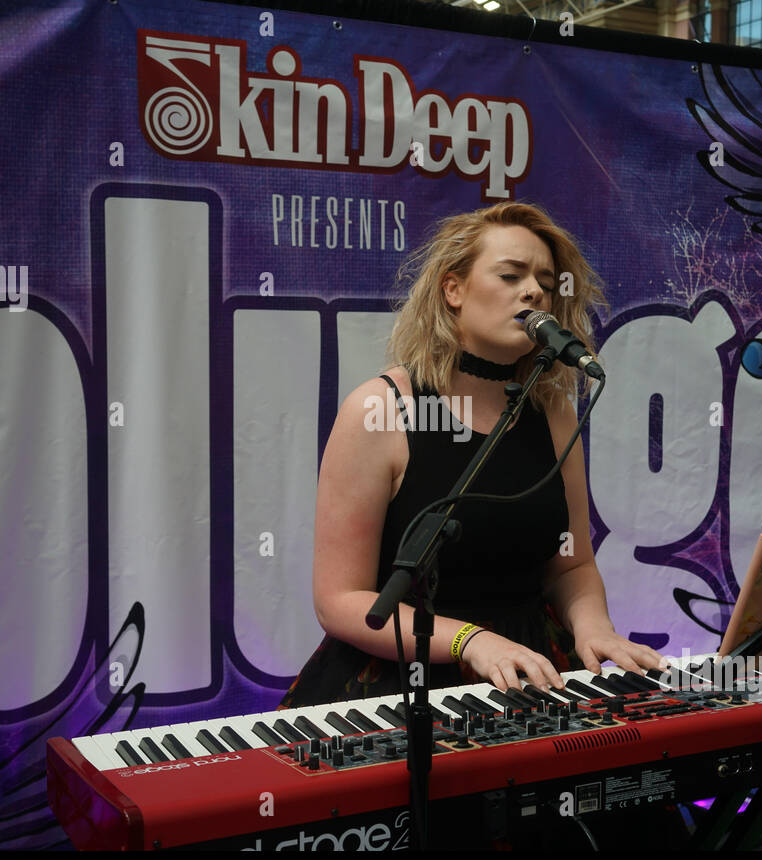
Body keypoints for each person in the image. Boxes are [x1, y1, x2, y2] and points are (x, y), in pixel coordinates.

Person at [279, 200, 667, 709]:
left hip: (531, 668)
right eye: (511, 275)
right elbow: (341, 601)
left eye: (545, 282)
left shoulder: (552, 411)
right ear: (453, 289)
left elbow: (570, 565)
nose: (533, 291)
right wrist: (471, 641)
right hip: (402, 678)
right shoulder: (381, 409)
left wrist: (595, 629)